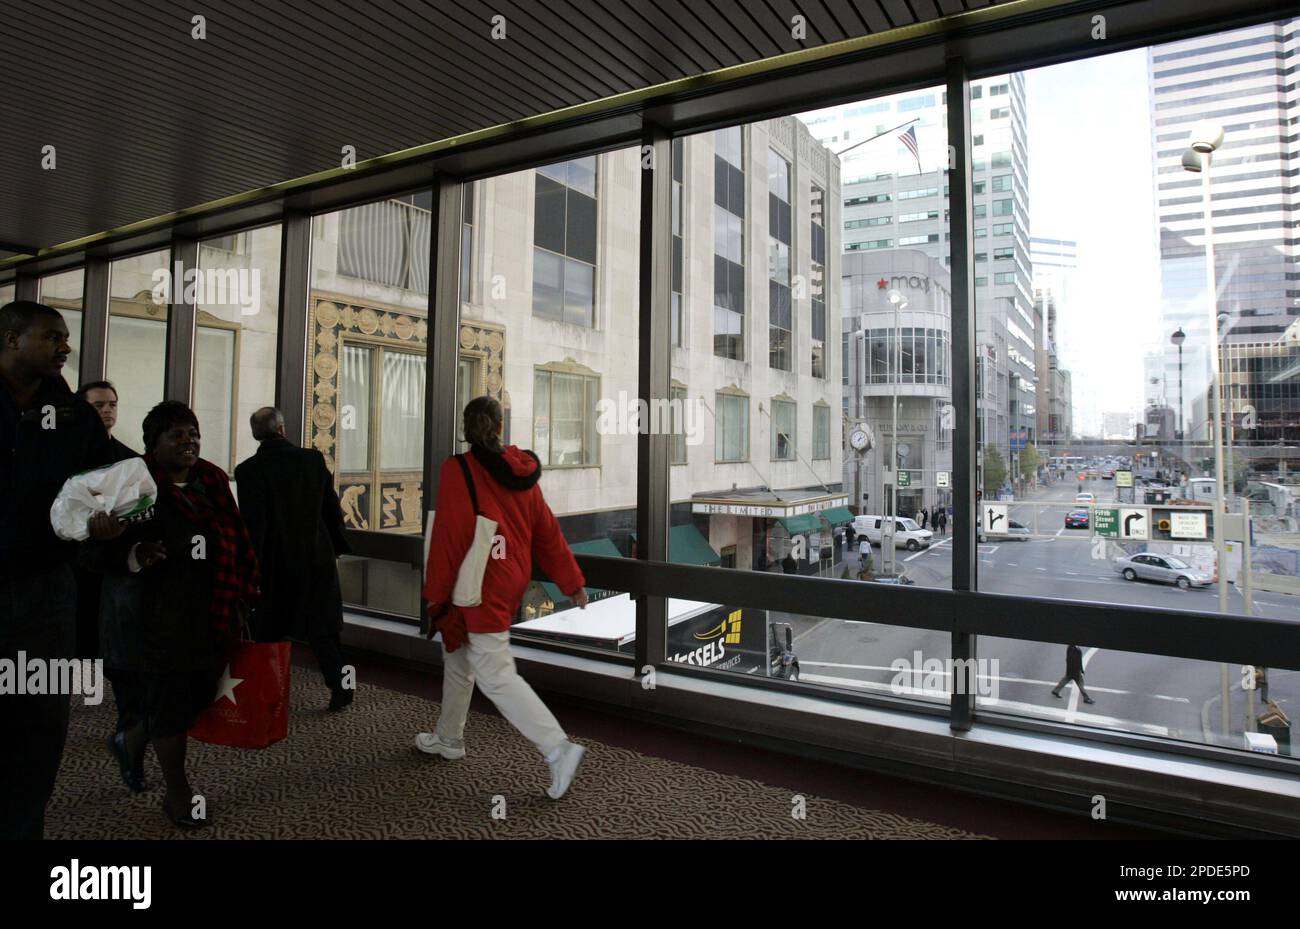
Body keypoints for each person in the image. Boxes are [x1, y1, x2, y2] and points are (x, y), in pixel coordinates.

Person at [82, 401, 260, 828]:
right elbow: (89, 552)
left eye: (193, 433)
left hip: (212, 610)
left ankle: (132, 738)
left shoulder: (213, 478)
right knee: (171, 702)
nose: (189, 442)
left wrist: (245, 589)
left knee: (199, 693)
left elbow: (236, 533)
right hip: (151, 618)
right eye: (176, 435)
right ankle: (178, 793)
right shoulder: (130, 482)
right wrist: (133, 553)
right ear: (152, 443)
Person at [418, 396, 590, 800]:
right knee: (458, 655)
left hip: (478, 583)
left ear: (467, 427)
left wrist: (435, 597)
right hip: (507, 576)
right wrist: (572, 582)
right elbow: (548, 533)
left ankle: (558, 749)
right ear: (499, 426)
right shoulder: (523, 471)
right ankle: (449, 738)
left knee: (496, 673)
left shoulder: (458, 469)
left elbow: (449, 538)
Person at [0, 301, 115, 840]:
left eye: (66, 338)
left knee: (39, 724)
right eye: (52, 337)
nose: (65, 346)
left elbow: (106, 482)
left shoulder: (75, 416)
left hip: (46, 593)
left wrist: (106, 520)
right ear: (11, 338)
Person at [234, 406, 353, 711]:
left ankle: (269, 696)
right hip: (316, 559)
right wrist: (336, 547)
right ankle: (342, 688)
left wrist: (250, 571)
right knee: (324, 632)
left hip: (274, 564)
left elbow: (253, 526)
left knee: (268, 633)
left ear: (254, 434)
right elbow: (331, 509)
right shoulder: (312, 460)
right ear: (283, 429)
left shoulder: (248, 471)